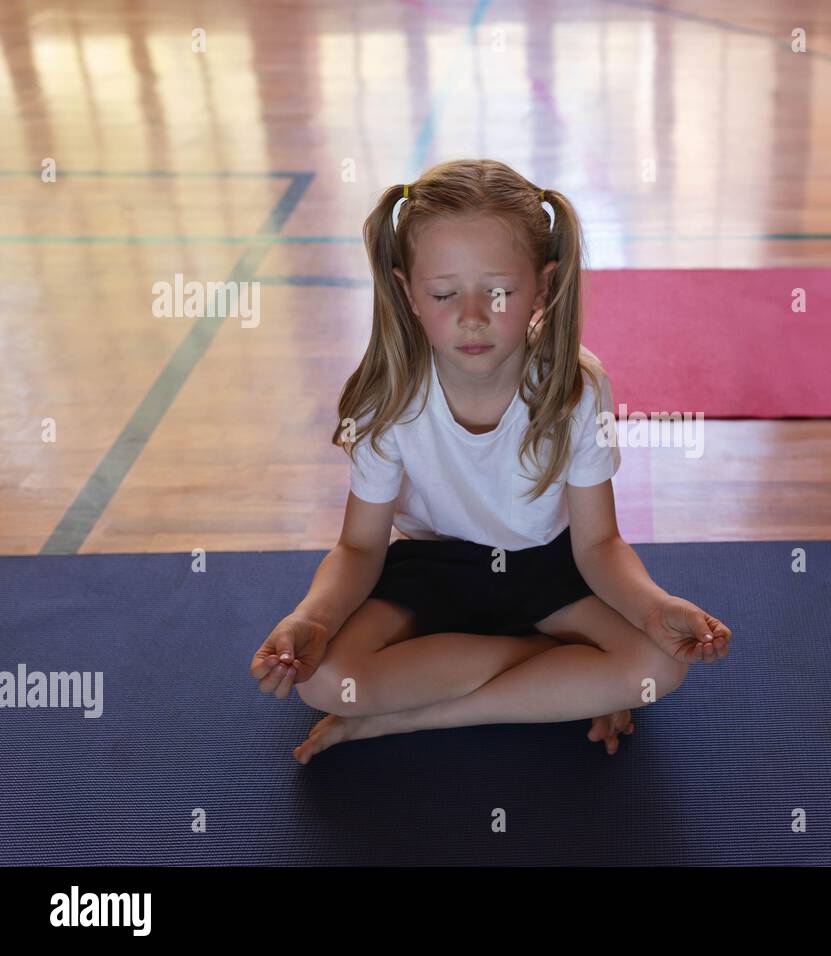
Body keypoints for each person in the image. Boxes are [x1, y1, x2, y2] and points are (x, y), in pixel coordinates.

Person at [249, 159, 732, 764]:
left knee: (657, 668)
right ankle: (560, 676)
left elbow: (599, 544)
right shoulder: (387, 396)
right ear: (408, 293)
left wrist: (654, 607)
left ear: (543, 286)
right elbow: (360, 549)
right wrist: (311, 619)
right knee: (324, 680)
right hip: (434, 568)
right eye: (445, 293)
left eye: (499, 291)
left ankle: (409, 721)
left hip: (547, 571)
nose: (472, 316)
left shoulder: (576, 386)